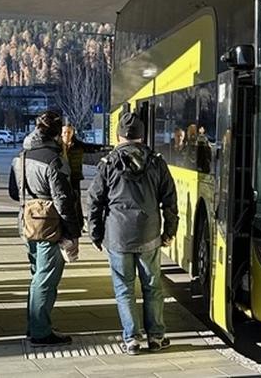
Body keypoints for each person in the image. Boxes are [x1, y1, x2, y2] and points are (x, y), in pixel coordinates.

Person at [89, 110, 179, 355]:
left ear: (119, 136)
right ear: (142, 136)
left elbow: (95, 201)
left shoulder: (108, 164)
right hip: (149, 234)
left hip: (118, 236)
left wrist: (95, 233)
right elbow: (170, 201)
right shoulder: (156, 162)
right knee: (153, 287)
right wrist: (169, 232)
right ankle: (156, 337)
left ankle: (132, 339)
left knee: (124, 288)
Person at [10, 110, 82, 346]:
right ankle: (40, 331)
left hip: (27, 222)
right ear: (56, 134)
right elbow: (63, 200)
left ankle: (34, 326)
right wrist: (73, 232)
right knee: (46, 278)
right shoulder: (54, 160)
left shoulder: (21, 156)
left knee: (37, 275)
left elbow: (13, 192)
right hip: (49, 226)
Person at [60, 124, 86, 220]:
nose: (67, 134)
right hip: (62, 177)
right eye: (65, 132)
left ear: (72, 133)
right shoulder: (58, 146)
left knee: (76, 199)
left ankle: (79, 220)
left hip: (74, 176)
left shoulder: (78, 145)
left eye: (69, 132)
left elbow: (91, 148)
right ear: (61, 133)